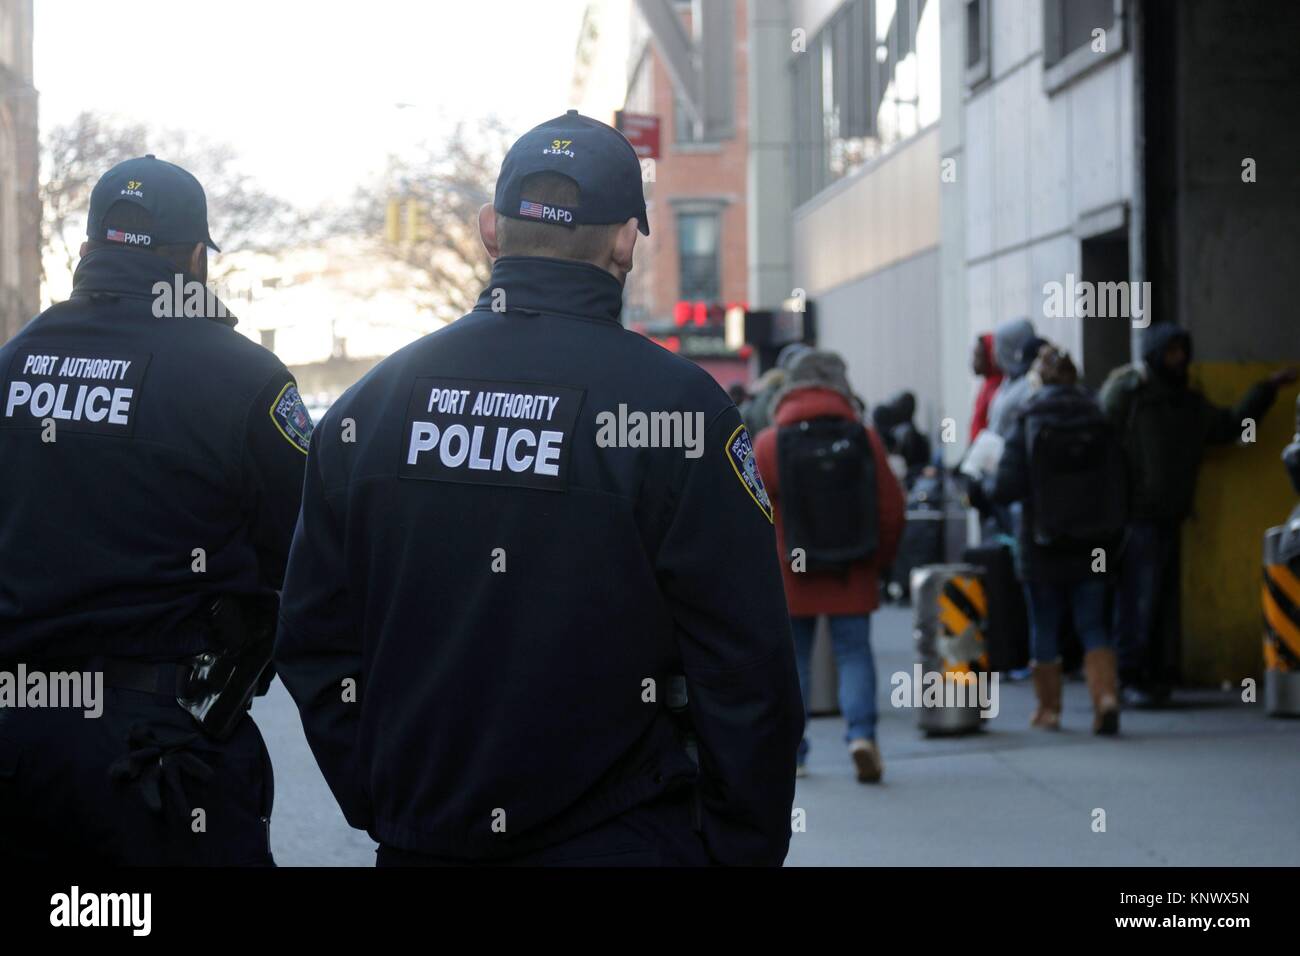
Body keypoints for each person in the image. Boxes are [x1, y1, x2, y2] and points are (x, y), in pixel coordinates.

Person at [273, 111, 803, 867]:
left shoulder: (373, 405)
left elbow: (312, 634)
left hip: (427, 837)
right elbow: (745, 663)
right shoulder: (680, 411)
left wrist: (383, 793)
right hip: (620, 837)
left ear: (492, 229)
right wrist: (739, 847)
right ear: (625, 239)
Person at [0, 156, 309, 864]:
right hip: (161, 761)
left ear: (86, 251)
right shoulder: (243, 378)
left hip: (20, 745)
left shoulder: (13, 364)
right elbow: (313, 557)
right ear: (197, 258)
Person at [1100, 323, 1297, 707]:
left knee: (1155, 603)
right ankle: (1129, 678)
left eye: (1181, 351)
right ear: (1157, 354)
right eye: (1171, 351)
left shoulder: (1188, 404)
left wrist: (1266, 390)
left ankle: (1151, 675)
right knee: (1137, 601)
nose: (1179, 359)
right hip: (1137, 518)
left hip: (1169, 517)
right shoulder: (1135, 397)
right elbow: (1103, 431)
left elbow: (1230, 426)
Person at [754, 350, 905, 782]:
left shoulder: (769, 442)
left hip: (792, 573)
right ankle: (861, 736)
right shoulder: (863, 437)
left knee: (795, 661)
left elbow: (748, 514)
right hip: (852, 570)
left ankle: (796, 752)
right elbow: (891, 508)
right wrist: (880, 560)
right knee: (855, 654)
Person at [985, 346, 1126, 733]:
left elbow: (1006, 486)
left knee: (1044, 625)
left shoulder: (1028, 417)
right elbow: (1119, 477)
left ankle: (1049, 710)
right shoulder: (1098, 415)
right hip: (1094, 543)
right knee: (1093, 624)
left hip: (1041, 542)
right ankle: (1105, 698)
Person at [969, 333, 1003, 442]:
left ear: (989, 356)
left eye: (978, 356)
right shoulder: (986, 385)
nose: (974, 362)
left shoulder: (997, 388)